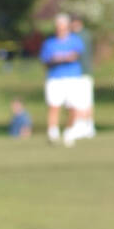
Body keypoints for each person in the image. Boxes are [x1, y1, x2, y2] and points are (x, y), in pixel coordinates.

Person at [40, 13, 93, 146]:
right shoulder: (49, 42)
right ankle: (53, 133)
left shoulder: (75, 40)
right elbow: (46, 60)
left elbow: (76, 55)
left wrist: (61, 58)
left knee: (73, 107)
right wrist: (59, 59)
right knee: (54, 106)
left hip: (73, 78)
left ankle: (69, 132)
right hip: (55, 78)